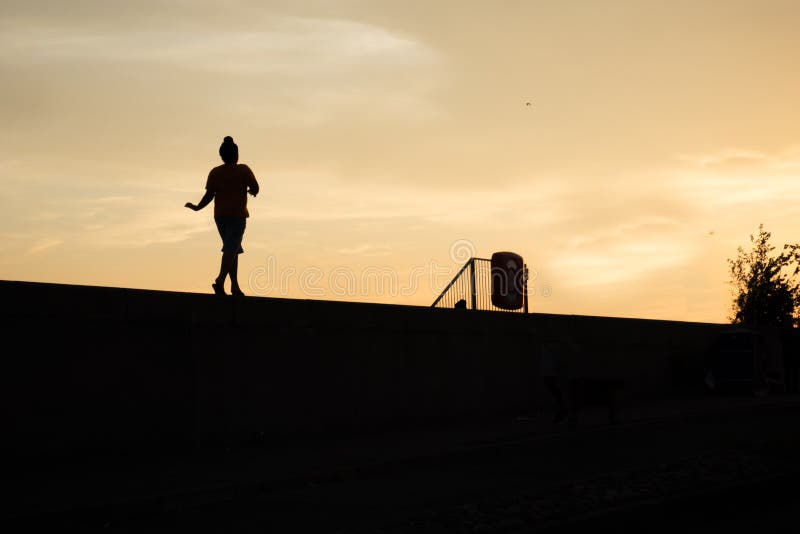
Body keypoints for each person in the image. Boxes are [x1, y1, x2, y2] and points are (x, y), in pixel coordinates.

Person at [185, 136, 259, 296]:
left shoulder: (215, 172)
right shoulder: (243, 170)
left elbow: (209, 195)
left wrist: (197, 207)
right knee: (231, 248)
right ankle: (220, 280)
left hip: (220, 217)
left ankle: (235, 286)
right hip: (237, 216)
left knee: (232, 249)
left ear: (222, 156)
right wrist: (252, 191)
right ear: (236, 154)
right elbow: (255, 187)